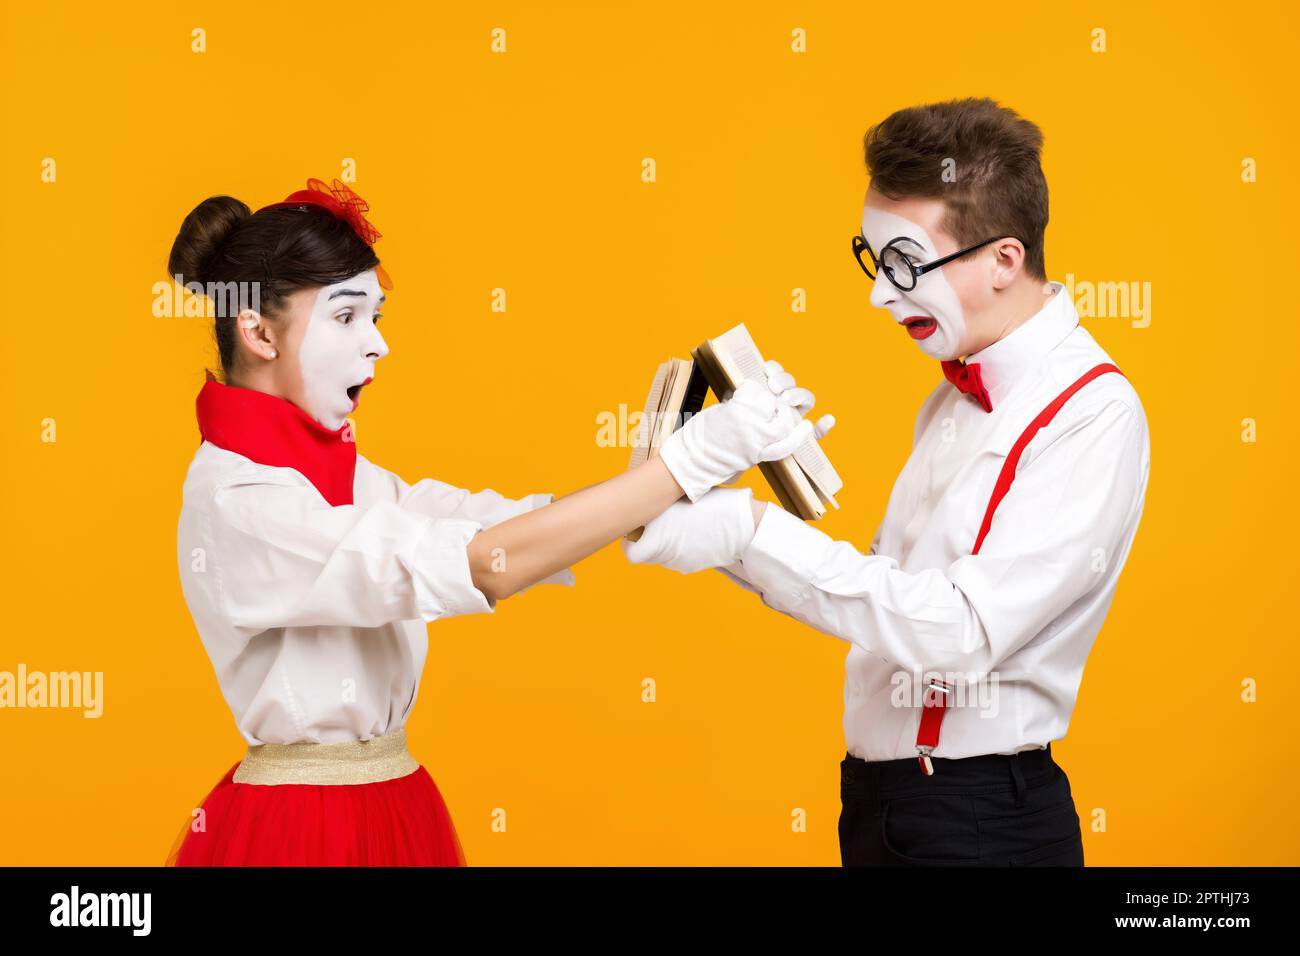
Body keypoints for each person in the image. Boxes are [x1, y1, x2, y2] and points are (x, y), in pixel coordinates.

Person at [163, 178, 825, 866]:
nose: (378, 346)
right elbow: (481, 563)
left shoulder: (350, 475)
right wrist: (681, 469)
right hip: (302, 830)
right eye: (345, 316)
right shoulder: (241, 498)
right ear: (258, 330)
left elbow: (499, 525)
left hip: (391, 798)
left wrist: (669, 482)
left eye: (377, 317)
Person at [624, 98, 1151, 866]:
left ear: (1004, 260)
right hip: (882, 808)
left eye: (905, 264)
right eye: (874, 260)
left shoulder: (1094, 413)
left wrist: (751, 532)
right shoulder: (948, 396)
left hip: (978, 825)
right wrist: (720, 510)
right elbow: (888, 612)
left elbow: (959, 636)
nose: (879, 293)